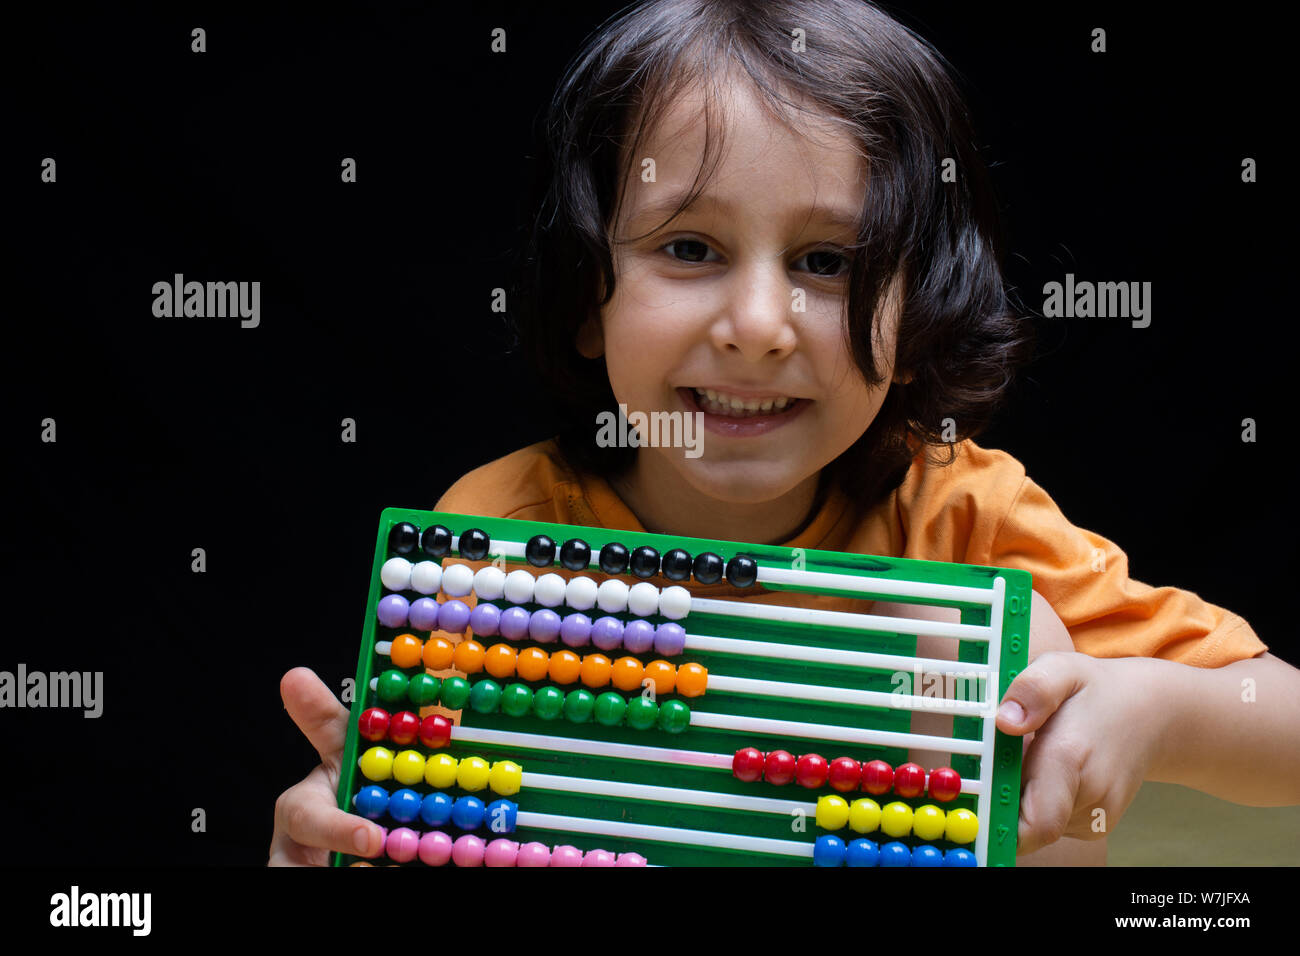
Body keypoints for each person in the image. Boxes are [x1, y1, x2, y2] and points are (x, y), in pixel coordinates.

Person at [269, 0, 1300, 867]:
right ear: (590, 293)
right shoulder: (500, 541)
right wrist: (351, 839)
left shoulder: (967, 519)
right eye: (689, 245)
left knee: (1042, 651)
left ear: (915, 317)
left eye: (827, 262)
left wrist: (1153, 706)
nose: (758, 327)